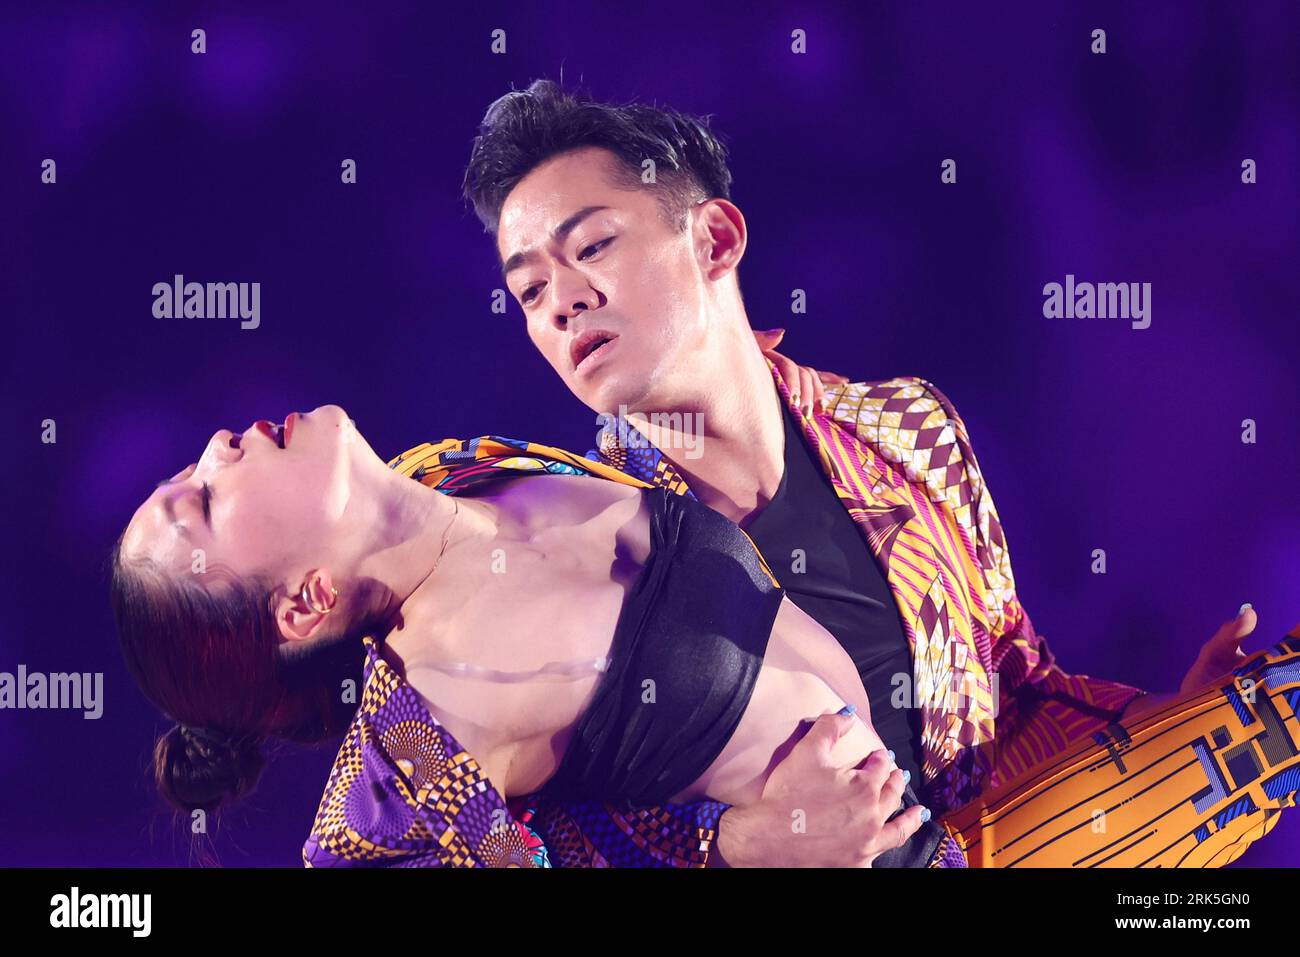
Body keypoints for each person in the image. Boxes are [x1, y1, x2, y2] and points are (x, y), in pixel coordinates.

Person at [416, 77, 1270, 867]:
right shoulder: (569, 543)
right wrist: (737, 850)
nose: (560, 301)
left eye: (592, 245)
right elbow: (505, 834)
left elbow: (1013, 690)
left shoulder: (910, 430)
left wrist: (1169, 729)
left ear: (715, 238)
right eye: (528, 291)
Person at [110, 404, 952, 869]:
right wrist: (740, 853)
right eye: (205, 503)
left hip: (970, 805)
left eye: (185, 472)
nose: (216, 447)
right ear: (301, 606)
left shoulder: (453, 465)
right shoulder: (417, 751)